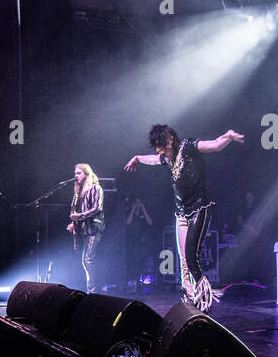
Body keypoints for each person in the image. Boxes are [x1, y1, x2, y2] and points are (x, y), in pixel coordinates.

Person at [125, 124, 246, 310]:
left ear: (171, 139)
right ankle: (189, 294)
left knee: (191, 255)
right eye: (156, 146)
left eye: (161, 145)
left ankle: (204, 296)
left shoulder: (188, 147)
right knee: (183, 258)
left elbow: (213, 145)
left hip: (200, 208)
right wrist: (137, 158)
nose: (159, 150)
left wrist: (228, 136)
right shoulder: (166, 158)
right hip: (181, 213)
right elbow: (152, 159)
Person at [66, 163, 105, 293]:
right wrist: (74, 223)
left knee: (88, 259)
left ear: (86, 174)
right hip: (84, 230)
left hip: (94, 229)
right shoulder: (79, 192)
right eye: (75, 173)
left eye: (79, 173)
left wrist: (79, 217)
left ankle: (93, 292)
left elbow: (96, 208)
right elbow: (78, 212)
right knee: (86, 260)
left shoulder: (95, 188)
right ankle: (91, 290)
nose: (76, 176)